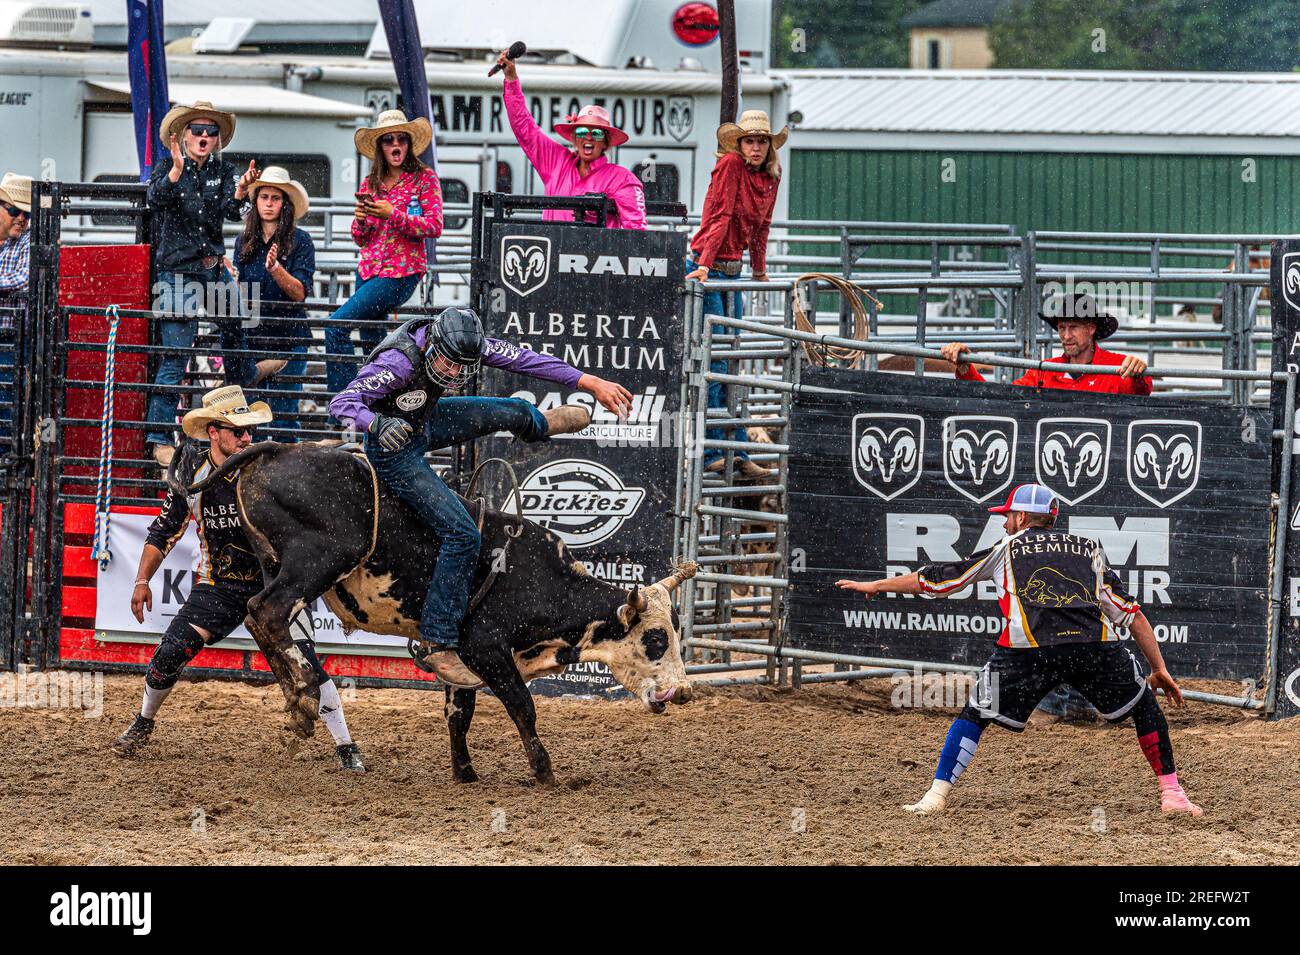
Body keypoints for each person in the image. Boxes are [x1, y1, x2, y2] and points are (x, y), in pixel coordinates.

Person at [835, 483, 1202, 818]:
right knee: (1143, 704)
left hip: (1028, 651)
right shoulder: (1089, 549)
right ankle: (1172, 793)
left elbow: (939, 580)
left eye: (1008, 516)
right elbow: (1131, 613)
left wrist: (880, 585)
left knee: (975, 712)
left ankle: (935, 796)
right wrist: (1159, 667)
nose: (1005, 523)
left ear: (1023, 517)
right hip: (1093, 647)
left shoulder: (1006, 549)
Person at [329, 306, 632, 686]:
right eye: (448, 364)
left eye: (461, 367)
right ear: (430, 348)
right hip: (393, 449)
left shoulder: (467, 345)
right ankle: (438, 640)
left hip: (425, 419)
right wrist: (376, 422)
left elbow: (524, 360)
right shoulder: (398, 363)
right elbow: (341, 402)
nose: (454, 373)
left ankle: (537, 424)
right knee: (462, 534)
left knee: (513, 409)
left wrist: (587, 381)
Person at [113, 386, 364, 772]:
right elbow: (163, 532)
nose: (248, 438)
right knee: (170, 651)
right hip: (221, 584)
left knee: (308, 664)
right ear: (213, 432)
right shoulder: (193, 477)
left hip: (274, 586)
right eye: (238, 431)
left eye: (249, 431)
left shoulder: (269, 471)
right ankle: (144, 720)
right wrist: (141, 581)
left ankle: (346, 745)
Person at [145, 99, 284, 468]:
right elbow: (154, 198)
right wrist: (176, 169)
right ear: (183, 137)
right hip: (177, 271)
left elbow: (232, 210)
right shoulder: (167, 167)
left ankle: (243, 372)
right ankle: (158, 438)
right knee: (176, 353)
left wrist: (241, 192)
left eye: (211, 131)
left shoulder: (224, 171)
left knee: (236, 324)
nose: (204, 136)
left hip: (209, 268)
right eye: (198, 130)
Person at [685, 111, 788, 480]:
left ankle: (736, 449)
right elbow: (722, 215)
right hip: (708, 266)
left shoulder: (771, 177)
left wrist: (758, 268)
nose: (756, 147)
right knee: (719, 359)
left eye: (762, 141)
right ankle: (716, 449)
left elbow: (762, 226)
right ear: (740, 144)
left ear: (769, 146)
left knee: (732, 359)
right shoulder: (730, 165)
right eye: (751, 140)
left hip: (731, 269)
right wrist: (703, 262)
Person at [324, 110, 442, 396]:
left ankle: (344, 404)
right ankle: (374, 401)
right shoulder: (371, 183)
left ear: (409, 144)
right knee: (373, 346)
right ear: (381, 146)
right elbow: (360, 238)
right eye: (388, 140)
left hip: (401, 273)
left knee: (335, 327)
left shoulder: (424, 179)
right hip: (368, 270)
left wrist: (393, 214)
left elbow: (434, 226)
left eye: (401, 139)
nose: (395, 144)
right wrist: (362, 219)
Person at [497, 49, 647, 230]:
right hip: (552, 255)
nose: (589, 137)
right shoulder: (556, 162)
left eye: (597, 133)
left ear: (605, 142)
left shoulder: (622, 179)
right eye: (582, 131)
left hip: (596, 258)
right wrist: (511, 79)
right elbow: (524, 127)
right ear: (575, 139)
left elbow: (637, 229)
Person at [233, 167, 316, 436]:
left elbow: (299, 292)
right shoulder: (243, 241)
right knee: (252, 421)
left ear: (285, 204)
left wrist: (275, 269)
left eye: (275, 198)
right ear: (255, 202)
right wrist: (230, 280)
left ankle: (283, 477)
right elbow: (241, 294)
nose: (269, 203)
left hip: (288, 338)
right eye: (263, 197)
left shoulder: (302, 241)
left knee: (283, 419)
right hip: (255, 336)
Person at [940, 292, 1151, 395]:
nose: (1066, 336)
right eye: (1061, 328)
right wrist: (965, 366)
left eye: (1073, 328)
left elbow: (1141, 391)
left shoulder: (1118, 367)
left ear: (1091, 329)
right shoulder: (1043, 372)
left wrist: (1139, 372)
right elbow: (1000, 398)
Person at [0, 171, 32, 445]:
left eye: (26, 213)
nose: (21, 218)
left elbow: (23, 278)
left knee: (5, 409)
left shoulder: (27, 242)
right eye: (14, 210)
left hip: (9, 342)